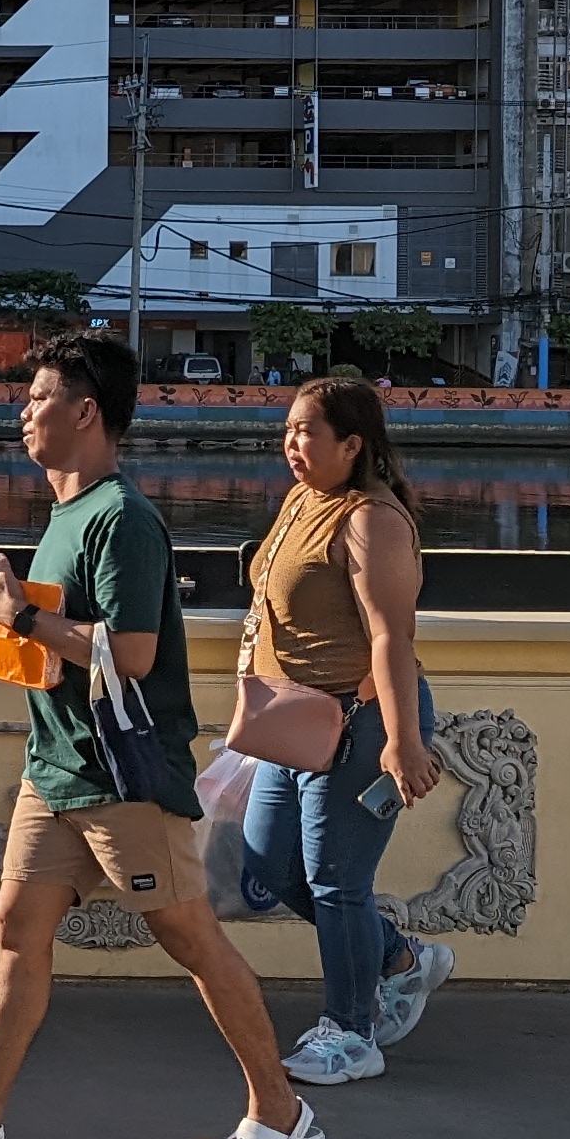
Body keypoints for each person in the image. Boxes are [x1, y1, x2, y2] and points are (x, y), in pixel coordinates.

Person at [0, 328, 331, 1139]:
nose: (24, 411)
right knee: (17, 930)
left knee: (190, 937)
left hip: (121, 775)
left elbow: (136, 652)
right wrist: (27, 622)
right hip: (59, 771)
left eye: (39, 397)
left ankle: (283, 1116)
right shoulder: (67, 517)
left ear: (86, 412)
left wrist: (21, 618)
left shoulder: (122, 519)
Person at [231, 376, 452, 1088]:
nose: (292, 444)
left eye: (308, 433)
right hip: (295, 722)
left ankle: (350, 1035)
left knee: (336, 882)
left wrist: (402, 740)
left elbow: (391, 636)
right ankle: (400, 958)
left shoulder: (370, 520)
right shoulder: (303, 501)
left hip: (360, 723)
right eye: (289, 429)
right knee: (269, 867)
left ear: (353, 445)